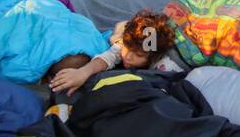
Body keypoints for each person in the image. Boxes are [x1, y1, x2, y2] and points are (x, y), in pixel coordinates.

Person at [48, 9, 183, 95]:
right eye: (127, 48)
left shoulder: (165, 64)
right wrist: (83, 72)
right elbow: (109, 57)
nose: (128, 57)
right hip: (121, 35)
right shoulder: (128, 44)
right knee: (115, 39)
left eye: (138, 55)